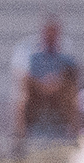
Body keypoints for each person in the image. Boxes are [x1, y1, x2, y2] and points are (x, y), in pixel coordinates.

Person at [11, 15, 79, 150]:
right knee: (22, 98)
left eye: (54, 32)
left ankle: (74, 140)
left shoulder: (66, 50)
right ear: (43, 32)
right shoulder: (27, 50)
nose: (51, 36)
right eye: (49, 32)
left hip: (59, 93)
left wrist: (56, 83)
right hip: (35, 93)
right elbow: (22, 75)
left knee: (73, 95)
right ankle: (19, 141)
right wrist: (42, 85)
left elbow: (74, 73)